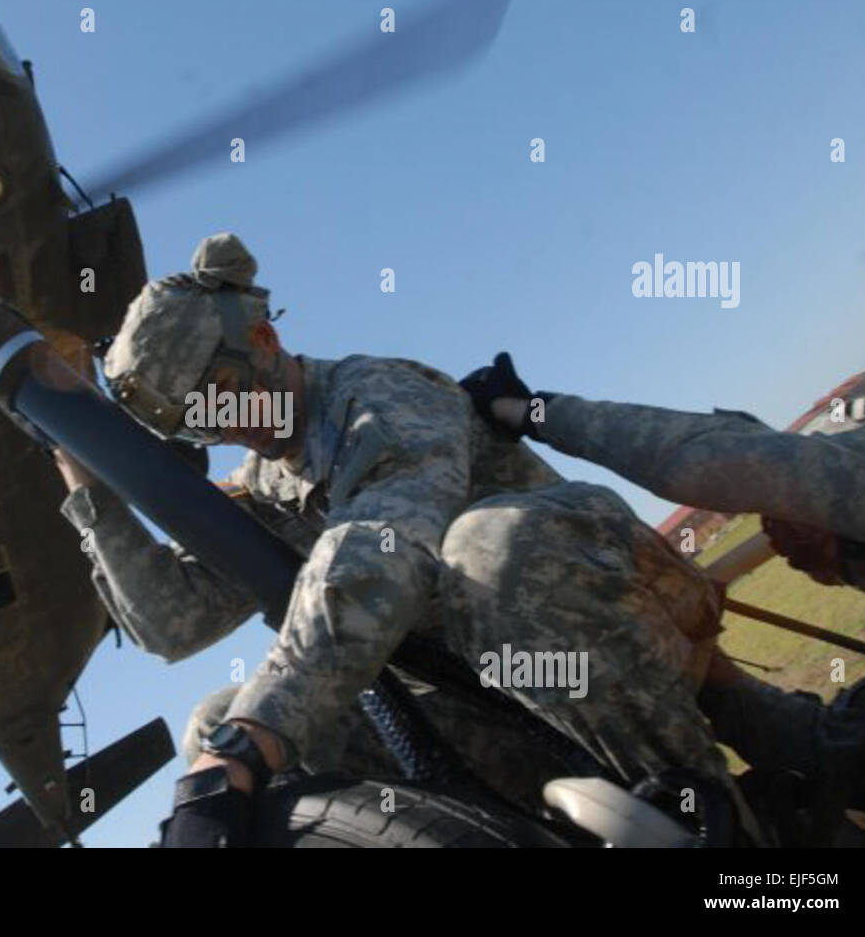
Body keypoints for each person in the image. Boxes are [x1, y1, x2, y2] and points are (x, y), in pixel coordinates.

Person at [53, 233, 759, 847]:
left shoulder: (380, 400)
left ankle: (715, 815)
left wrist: (250, 743)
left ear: (263, 340)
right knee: (213, 718)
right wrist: (79, 462)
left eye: (227, 390)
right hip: (487, 704)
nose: (229, 425)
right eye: (196, 425)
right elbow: (171, 621)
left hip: (608, 643)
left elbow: (373, 556)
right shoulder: (266, 485)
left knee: (487, 548)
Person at [459, 351, 865, 830]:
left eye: (776, 508)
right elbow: (828, 748)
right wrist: (713, 671)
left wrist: (531, 411)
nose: (772, 534)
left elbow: (729, 457)